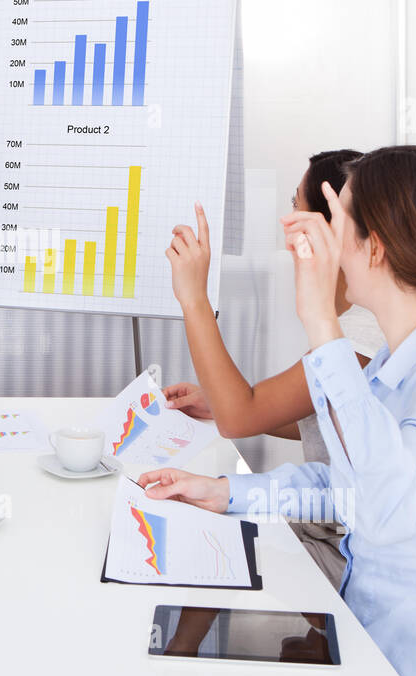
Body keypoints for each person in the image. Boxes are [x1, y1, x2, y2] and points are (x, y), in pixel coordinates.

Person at [146, 145, 416, 676]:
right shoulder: (392, 360)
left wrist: (320, 317)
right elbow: (345, 487)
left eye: (339, 222)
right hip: (364, 644)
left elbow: (385, 510)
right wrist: (224, 492)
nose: (327, 242)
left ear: (375, 248)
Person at [160, 150, 386, 584]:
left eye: (295, 205)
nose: (288, 223)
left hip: (344, 552)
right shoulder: (352, 326)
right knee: (211, 518)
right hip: (324, 524)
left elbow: (239, 416)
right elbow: (320, 419)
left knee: (207, 546)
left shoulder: (362, 339)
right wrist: (222, 405)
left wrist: (194, 298)